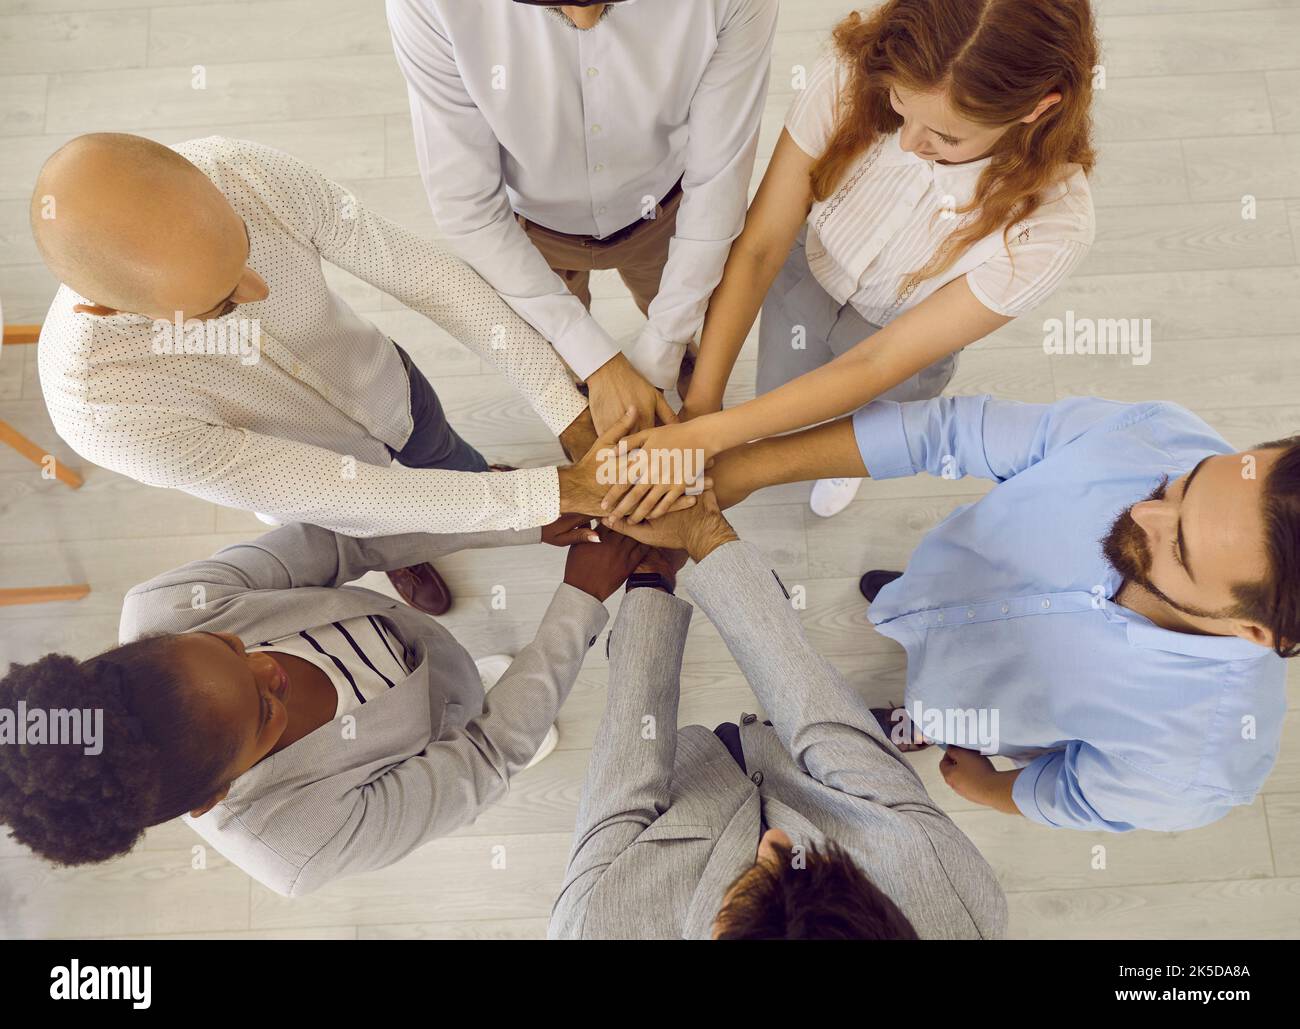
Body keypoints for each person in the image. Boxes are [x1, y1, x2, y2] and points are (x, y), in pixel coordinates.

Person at [605, 395, 1300, 833]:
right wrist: (742, 469)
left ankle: (913, 725)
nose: (1142, 509)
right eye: (1184, 483)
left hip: (971, 717)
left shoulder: (1199, 761)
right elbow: (948, 429)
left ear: (1254, 631)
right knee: (915, 589)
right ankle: (909, 600)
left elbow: (1078, 794)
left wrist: (994, 787)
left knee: (928, 715)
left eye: (1173, 546)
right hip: (945, 572)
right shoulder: (1159, 437)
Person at [0, 438, 652, 897]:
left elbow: (348, 537)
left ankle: (467, 685)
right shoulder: (299, 845)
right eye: (264, 712)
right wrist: (583, 598)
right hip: (444, 731)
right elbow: (484, 756)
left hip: (411, 644)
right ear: (214, 796)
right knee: (484, 725)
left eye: (229, 645)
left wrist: (519, 515)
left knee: (459, 677)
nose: (270, 668)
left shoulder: (167, 605)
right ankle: (468, 695)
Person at [30, 132, 629, 616]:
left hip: (388, 386)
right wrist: (553, 493)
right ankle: (405, 550)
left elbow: (429, 279)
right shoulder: (101, 408)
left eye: (244, 251)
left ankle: (472, 483)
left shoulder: (241, 172)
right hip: (312, 479)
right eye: (221, 302)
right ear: (108, 309)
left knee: (451, 457)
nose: (257, 289)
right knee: (381, 518)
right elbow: (342, 493)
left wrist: (567, 409)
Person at [600, 0, 1100, 524]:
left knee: (865, 422)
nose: (908, 143)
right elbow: (759, 249)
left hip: (901, 343)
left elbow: (879, 364)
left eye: (946, 137)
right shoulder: (853, 71)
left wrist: (712, 444)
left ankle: (836, 462)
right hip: (803, 279)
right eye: (900, 105)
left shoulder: (1051, 227)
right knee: (777, 390)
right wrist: (701, 411)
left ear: (1037, 107)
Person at [549, 493, 1007, 939]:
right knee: (850, 744)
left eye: (747, 889)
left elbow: (624, 768)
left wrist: (650, 584)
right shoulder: (960, 907)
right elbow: (822, 716)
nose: (778, 842)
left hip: (693, 778)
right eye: (825, 865)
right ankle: (877, 744)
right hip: (819, 763)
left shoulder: (594, 928)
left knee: (849, 748)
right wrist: (706, 535)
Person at [385, 0, 778, 433]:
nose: (587, 21)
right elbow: (468, 207)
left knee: (678, 321)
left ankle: (679, 354)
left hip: (664, 210)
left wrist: (663, 345)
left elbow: (718, 181)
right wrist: (595, 362)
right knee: (567, 360)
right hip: (528, 235)